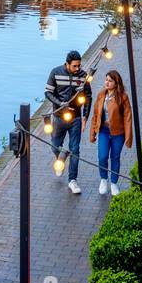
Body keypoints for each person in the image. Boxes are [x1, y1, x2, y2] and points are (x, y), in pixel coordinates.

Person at [45, 49, 93, 195]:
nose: (77, 69)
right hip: (59, 118)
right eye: (75, 66)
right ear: (67, 64)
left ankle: (73, 180)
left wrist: (85, 116)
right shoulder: (55, 72)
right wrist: (60, 103)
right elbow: (47, 93)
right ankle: (62, 155)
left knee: (75, 149)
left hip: (76, 119)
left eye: (79, 66)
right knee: (54, 146)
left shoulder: (83, 76)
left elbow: (88, 95)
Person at [89, 69, 134, 198]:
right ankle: (103, 179)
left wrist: (128, 136)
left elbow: (127, 117)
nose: (107, 83)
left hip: (117, 133)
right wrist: (92, 132)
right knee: (102, 156)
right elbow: (96, 115)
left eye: (110, 80)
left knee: (115, 158)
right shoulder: (101, 95)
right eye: (106, 80)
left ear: (116, 83)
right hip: (103, 131)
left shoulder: (123, 97)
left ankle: (114, 183)